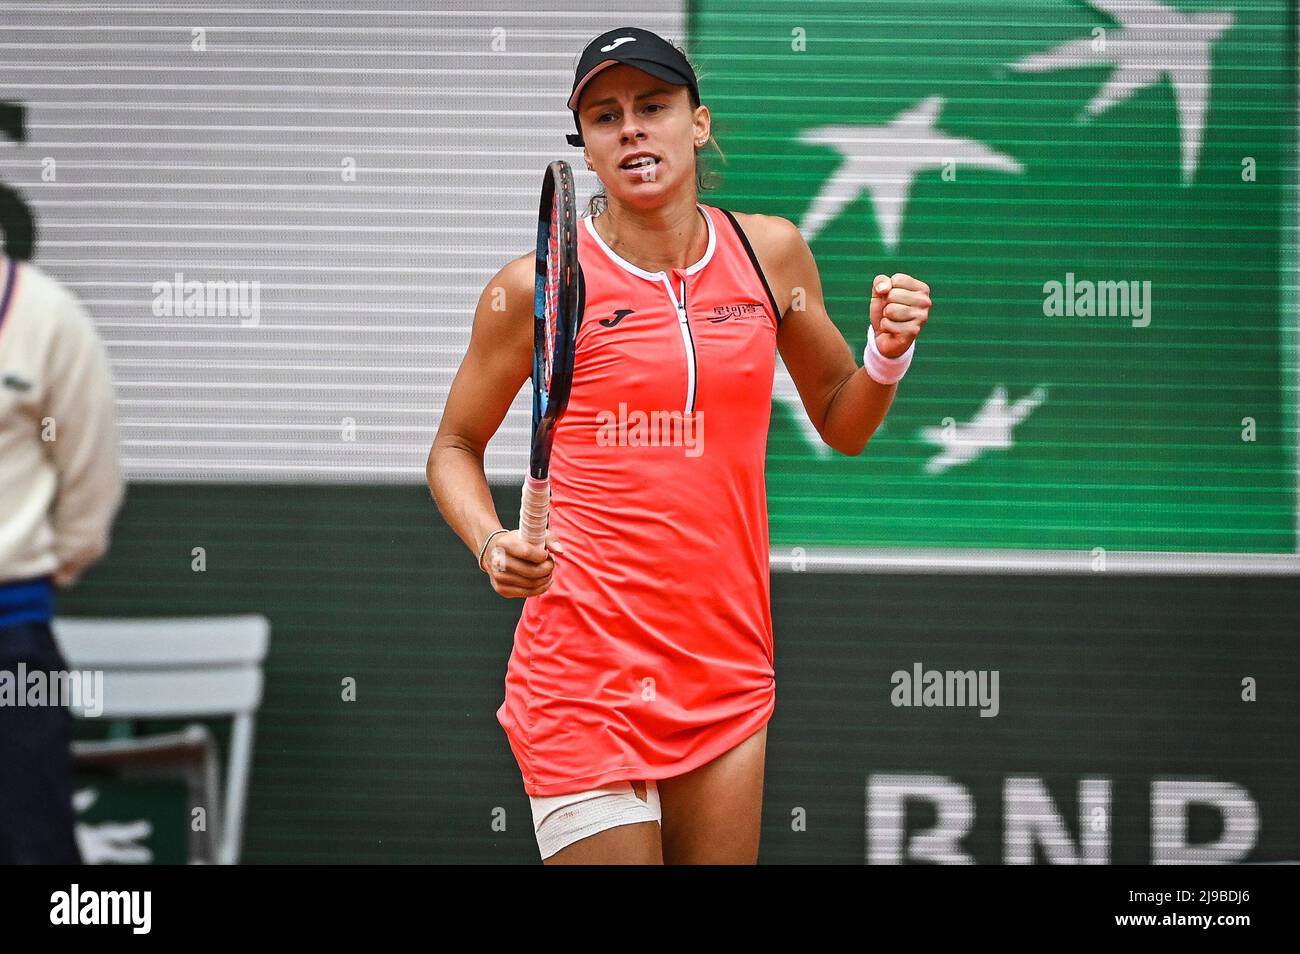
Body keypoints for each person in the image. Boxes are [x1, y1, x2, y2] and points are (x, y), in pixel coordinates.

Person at [427, 26, 932, 864]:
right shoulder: (533, 291)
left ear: (698, 124)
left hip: (725, 668)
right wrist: (491, 543)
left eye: (653, 107)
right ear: (584, 147)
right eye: (604, 115)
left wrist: (886, 352)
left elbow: (844, 420)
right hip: (583, 677)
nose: (631, 129)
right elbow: (453, 445)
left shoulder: (772, 255)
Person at [0, 255, 125, 863]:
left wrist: (49, 570)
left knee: (36, 847)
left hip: (13, 634)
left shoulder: (47, 317)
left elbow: (89, 482)